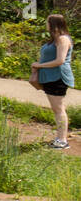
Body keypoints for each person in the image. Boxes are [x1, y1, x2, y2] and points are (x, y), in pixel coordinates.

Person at [30, 14, 73, 148]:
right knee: (58, 108)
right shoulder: (54, 39)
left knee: (58, 109)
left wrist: (39, 65)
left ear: (54, 24)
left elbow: (60, 60)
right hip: (50, 78)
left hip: (58, 77)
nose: (46, 25)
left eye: (47, 22)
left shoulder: (63, 39)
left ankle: (62, 141)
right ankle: (61, 137)